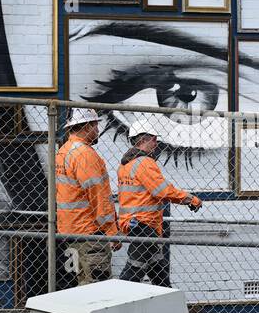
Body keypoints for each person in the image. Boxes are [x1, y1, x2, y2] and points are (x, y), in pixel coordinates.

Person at [116, 120, 202, 287]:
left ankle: (172, 307)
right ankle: (114, 306)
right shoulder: (145, 163)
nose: (156, 143)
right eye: (154, 139)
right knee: (132, 273)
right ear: (143, 139)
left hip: (134, 223)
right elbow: (162, 190)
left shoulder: (125, 164)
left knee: (158, 272)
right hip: (144, 225)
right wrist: (191, 199)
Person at [55, 107, 120, 288]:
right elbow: (98, 196)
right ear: (88, 126)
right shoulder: (85, 154)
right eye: (96, 125)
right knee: (97, 288)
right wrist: (112, 232)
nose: (98, 130)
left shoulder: (64, 150)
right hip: (90, 232)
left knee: (80, 285)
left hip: (70, 229)